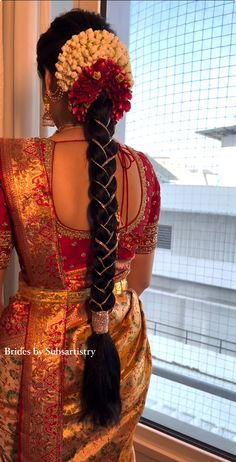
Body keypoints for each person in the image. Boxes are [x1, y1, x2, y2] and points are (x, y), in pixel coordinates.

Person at [0, 8, 161, 462]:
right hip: (121, 344)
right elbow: (141, 281)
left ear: (51, 80)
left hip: (38, 354)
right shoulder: (145, 171)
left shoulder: (14, 163)